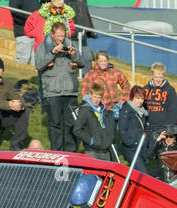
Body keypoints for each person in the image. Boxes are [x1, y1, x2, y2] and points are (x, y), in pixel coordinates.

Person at [36, 23, 86, 152]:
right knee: (55, 123)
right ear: (52, 35)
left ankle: (70, 152)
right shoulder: (43, 47)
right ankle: (56, 152)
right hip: (53, 91)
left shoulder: (71, 45)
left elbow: (82, 63)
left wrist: (74, 54)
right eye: (58, 36)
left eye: (63, 36)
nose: (61, 39)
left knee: (71, 123)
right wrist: (52, 53)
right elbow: (38, 65)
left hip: (70, 91)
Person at [73, 83, 115, 160]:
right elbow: (77, 130)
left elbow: (109, 128)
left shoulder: (105, 111)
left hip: (105, 150)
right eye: (95, 97)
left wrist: (109, 139)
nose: (96, 100)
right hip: (91, 151)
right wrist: (91, 141)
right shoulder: (85, 110)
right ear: (90, 95)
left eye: (99, 97)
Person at [81, 50, 129, 116]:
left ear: (108, 61)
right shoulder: (91, 74)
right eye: (101, 61)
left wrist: (122, 100)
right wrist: (93, 104)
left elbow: (126, 84)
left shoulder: (115, 72)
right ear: (97, 61)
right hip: (99, 108)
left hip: (114, 108)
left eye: (105, 61)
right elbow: (85, 91)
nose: (103, 63)